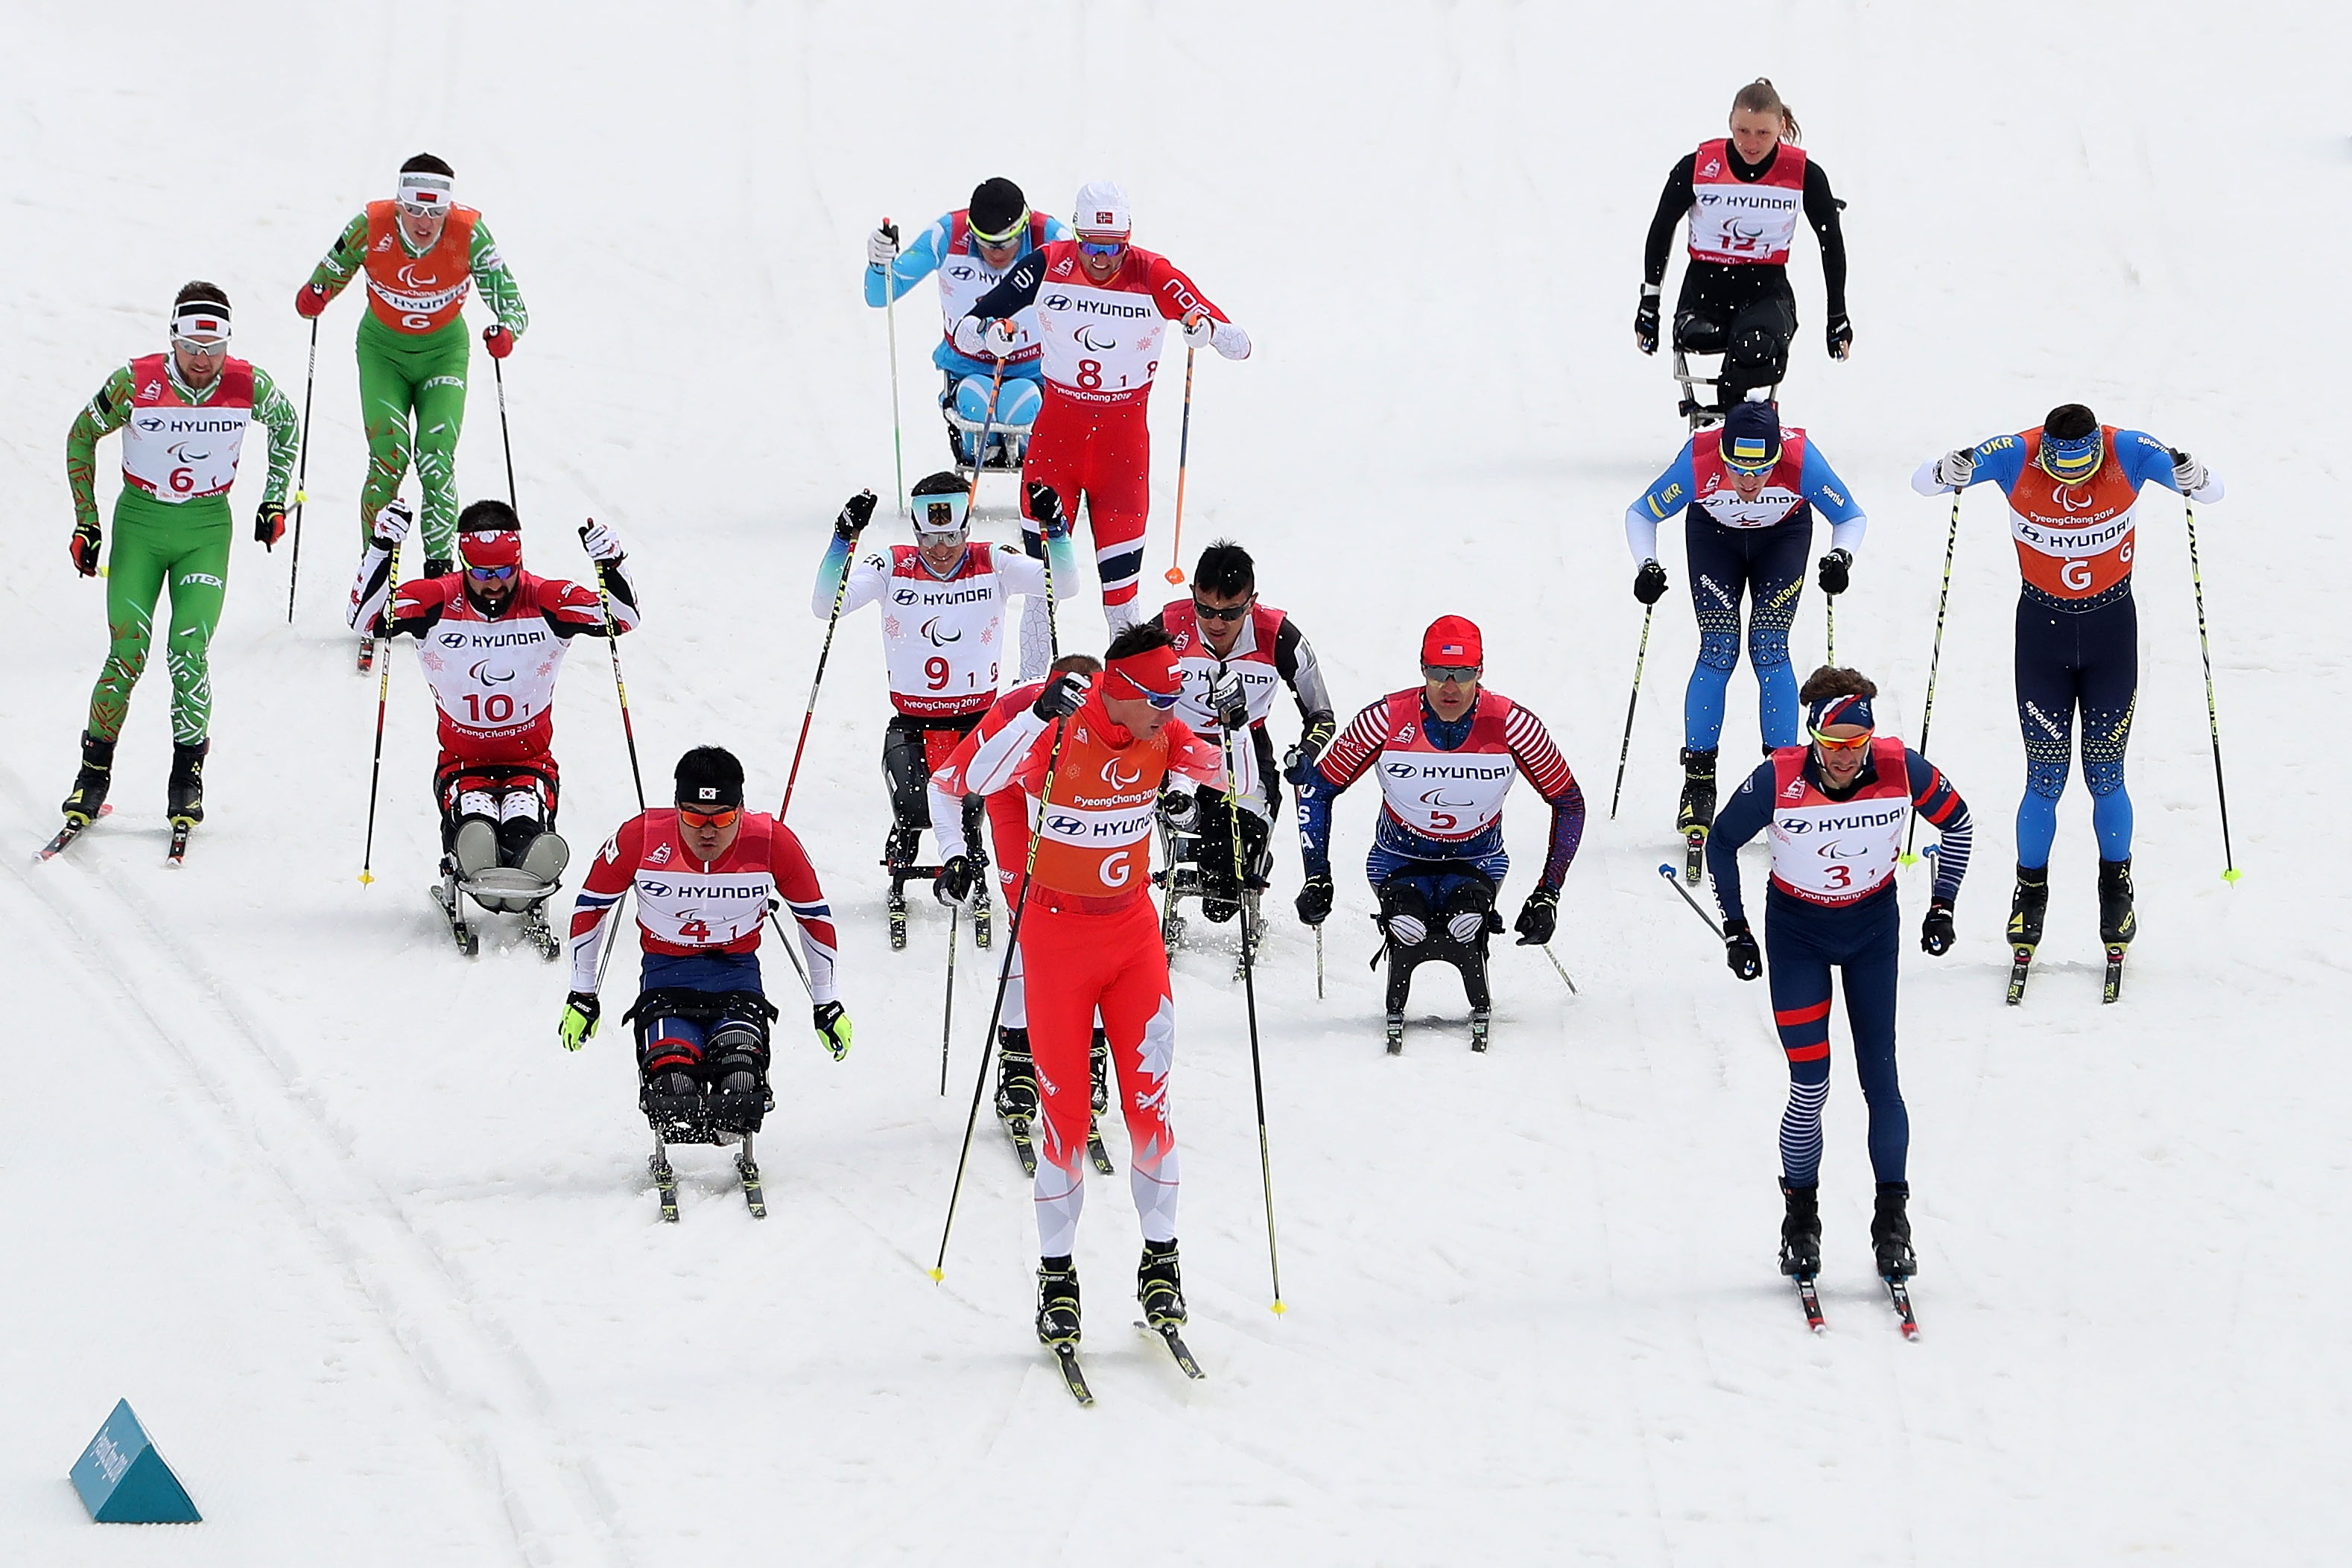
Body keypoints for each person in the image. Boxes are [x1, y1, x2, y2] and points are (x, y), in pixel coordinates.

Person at [956, 626, 1225, 1350]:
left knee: (1149, 1108)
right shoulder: (1056, 728)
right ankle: (1057, 1277)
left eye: (1177, 697)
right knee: (1067, 1122)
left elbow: (1230, 778)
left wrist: (1228, 722)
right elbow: (971, 779)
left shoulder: (1162, 736)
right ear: (1122, 690)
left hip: (1132, 939)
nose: (1172, 711)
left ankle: (1161, 1263)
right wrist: (1034, 713)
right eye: (1161, 699)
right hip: (1055, 944)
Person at [1912, 404, 2224, 962]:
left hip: (2109, 637)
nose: (2072, 483)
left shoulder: (2127, 450)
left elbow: (2211, 492)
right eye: (2062, 473)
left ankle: (2114, 885)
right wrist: (1945, 470)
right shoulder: (2015, 453)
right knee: (2044, 778)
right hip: (2041, 639)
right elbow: (1924, 483)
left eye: (2083, 472)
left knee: (2105, 775)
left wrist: (2195, 476)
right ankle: (2029, 889)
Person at [1703, 667, 1974, 1284]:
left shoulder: (1901, 765)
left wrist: (1942, 904)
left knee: (1880, 1078)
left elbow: (1957, 821)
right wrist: (1736, 927)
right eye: (1833, 746)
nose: (1847, 759)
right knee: (1811, 1084)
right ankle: (1800, 1220)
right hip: (1796, 933)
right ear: (1813, 740)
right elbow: (1719, 842)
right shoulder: (1779, 775)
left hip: (1872, 932)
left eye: (1857, 744)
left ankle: (1891, 1223)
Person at [57, 282, 301, 842]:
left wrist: (272, 499)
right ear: (172, 338)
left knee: (187, 649)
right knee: (128, 650)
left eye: (213, 347)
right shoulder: (136, 381)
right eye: (191, 345)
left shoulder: (244, 383)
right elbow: (80, 434)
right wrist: (86, 520)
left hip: (205, 528)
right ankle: (92, 775)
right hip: (140, 524)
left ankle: (186, 779)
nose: (201, 360)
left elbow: (286, 424)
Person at [957, 181, 1252, 630]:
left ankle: (1125, 695)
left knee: (1122, 601)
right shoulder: (1048, 263)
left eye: (1113, 247)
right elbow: (968, 326)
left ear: (1128, 237)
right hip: (1056, 445)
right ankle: (1029, 690)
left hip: (1122, 457)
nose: (1100, 259)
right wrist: (991, 333)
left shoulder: (1153, 273)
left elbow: (1241, 344)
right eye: (1091, 245)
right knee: (1041, 592)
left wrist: (1206, 329)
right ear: (1075, 234)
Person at [347, 498, 639, 933]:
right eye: (482, 573)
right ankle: (473, 860)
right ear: (464, 562)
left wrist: (612, 562)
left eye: (505, 571)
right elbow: (364, 618)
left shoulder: (545, 600)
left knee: (523, 815)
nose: (494, 584)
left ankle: (526, 861)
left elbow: (623, 618)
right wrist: (382, 547)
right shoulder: (436, 601)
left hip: (530, 761)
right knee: (474, 817)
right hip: (462, 764)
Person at [1292, 616, 1585, 1050]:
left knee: (1466, 921)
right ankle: (1401, 973)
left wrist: (1548, 893)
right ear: (1422, 669)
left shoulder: (1512, 725)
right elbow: (1318, 789)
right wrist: (1318, 874)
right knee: (1405, 920)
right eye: (1438, 673)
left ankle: (1474, 976)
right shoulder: (1385, 720)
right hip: (1397, 860)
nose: (1450, 688)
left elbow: (1569, 802)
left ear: (1480, 671)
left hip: (1477, 861)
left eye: (1463, 674)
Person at [812, 475, 1074, 943]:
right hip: (912, 719)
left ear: (966, 527)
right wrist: (842, 540)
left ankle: (970, 856)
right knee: (913, 808)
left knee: (972, 806)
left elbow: (1064, 586)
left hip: (979, 720)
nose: (940, 549)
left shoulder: (991, 560)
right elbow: (825, 605)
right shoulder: (893, 564)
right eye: (928, 537)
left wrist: (1054, 529)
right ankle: (906, 846)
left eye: (952, 536)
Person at [560, 746, 849, 1146]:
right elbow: (591, 907)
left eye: (723, 818)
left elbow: (813, 916)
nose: (708, 831)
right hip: (666, 977)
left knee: (742, 1090)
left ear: (742, 810)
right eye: (694, 816)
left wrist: (827, 1002)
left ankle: (735, 1127)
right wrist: (582, 995)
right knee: (672, 1096)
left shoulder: (771, 842)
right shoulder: (640, 837)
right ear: (676, 807)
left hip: (736, 976)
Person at [1623, 399, 1866, 855]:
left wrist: (1841, 557)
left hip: (1783, 537)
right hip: (1714, 537)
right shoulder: (1699, 458)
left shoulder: (1800, 459)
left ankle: (1784, 777)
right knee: (1718, 649)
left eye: (1760, 471)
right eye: (1737, 470)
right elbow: (1641, 512)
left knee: (1770, 647)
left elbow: (1850, 515)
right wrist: (1647, 565)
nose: (1749, 482)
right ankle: (1698, 783)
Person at [297, 153, 529, 577]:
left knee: (435, 457)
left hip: (444, 353)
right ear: (399, 203)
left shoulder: (469, 233)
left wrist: (507, 330)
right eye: (415, 211)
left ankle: (440, 574)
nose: (425, 223)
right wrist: (316, 296)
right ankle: (377, 569)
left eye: (436, 212)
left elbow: (513, 302)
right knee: (389, 456)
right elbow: (326, 275)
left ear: (449, 209)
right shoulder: (369, 225)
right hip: (382, 352)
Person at [928, 653, 1111, 1139]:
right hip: (1013, 792)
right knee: (1030, 922)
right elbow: (945, 785)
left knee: (1095, 923)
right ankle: (1019, 1060)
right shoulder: (1014, 712)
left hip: (1079, 808)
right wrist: (954, 856)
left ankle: (1089, 1051)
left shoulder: (1121, 714)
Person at [1635, 79, 1850, 415]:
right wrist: (1649, 303)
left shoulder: (1803, 174)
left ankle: (1736, 418)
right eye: (1742, 130)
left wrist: (1837, 316)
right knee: (1709, 337)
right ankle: (1729, 419)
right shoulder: (1698, 167)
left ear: (1781, 126)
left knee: (1756, 345)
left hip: (1766, 289)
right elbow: (1662, 228)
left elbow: (1831, 243)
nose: (1751, 143)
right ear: (1730, 122)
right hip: (1705, 290)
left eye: (1763, 133)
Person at [1151, 540, 1336, 922]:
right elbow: (1126, 687)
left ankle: (1241, 864)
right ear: (1193, 596)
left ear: (1251, 602)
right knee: (1188, 823)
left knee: (1235, 849)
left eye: (1231, 613)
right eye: (1205, 610)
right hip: (1179, 748)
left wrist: (1306, 752)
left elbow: (1321, 714)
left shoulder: (1279, 636)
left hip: (1248, 748)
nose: (1217, 623)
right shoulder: (1168, 627)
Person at [863, 177, 1071, 468]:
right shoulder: (947, 234)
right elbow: (878, 296)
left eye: (1007, 243)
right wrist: (879, 264)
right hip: (968, 367)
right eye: (985, 243)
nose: (996, 254)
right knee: (975, 405)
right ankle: (980, 449)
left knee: (1024, 405)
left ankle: (1030, 454)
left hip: (1034, 370)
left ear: (1024, 227)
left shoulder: (1051, 237)